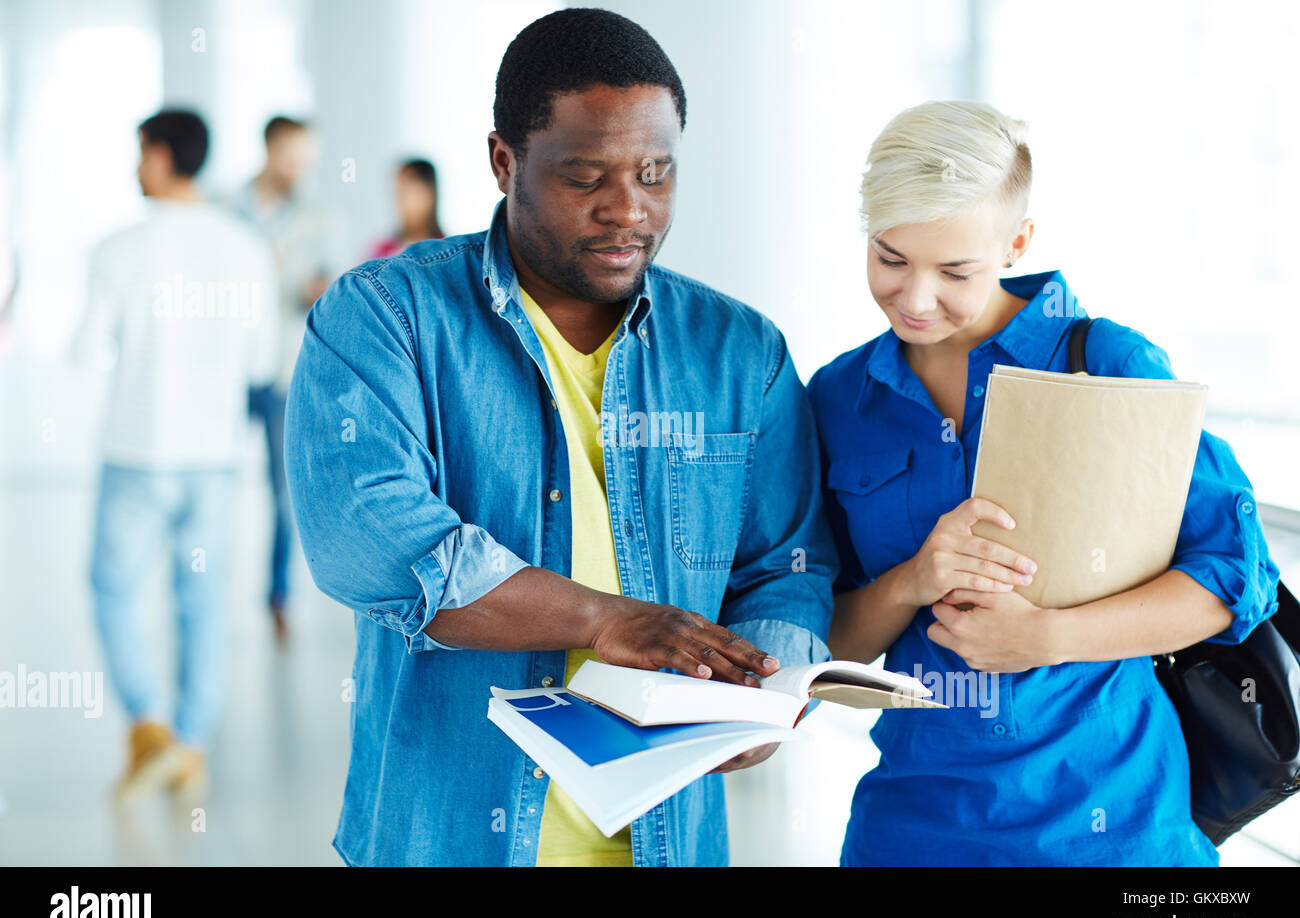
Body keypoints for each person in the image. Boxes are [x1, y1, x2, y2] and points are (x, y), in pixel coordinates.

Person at [284, 8, 835, 867]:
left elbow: (787, 563)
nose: (630, 211)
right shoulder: (385, 318)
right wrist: (607, 619)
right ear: (505, 162)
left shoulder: (741, 352)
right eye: (587, 177)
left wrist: (763, 691)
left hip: (668, 841)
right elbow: (369, 543)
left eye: (656, 174)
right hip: (447, 836)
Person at [808, 100, 1281, 866]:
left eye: (955, 270)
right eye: (890, 258)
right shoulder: (836, 397)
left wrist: (1045, 637)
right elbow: (819, 639)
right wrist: (911, 582)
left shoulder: (1109, 363)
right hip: (913, 826)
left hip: (1115, 827)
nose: (916, 298)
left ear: (1017, 242)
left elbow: (1231, 578)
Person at [72, 109, 278, 806]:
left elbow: (85, 350)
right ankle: (190, 746)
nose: (135, 168)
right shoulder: (245, 247)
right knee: (201, 602)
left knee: (113, 589)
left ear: (160, 157)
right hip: (214, 456)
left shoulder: (117, 248)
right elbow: (261, 363)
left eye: (139, 154)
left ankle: (149, 726)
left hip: (136, 450)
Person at [229, 115, 342, 644]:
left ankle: (277, 598)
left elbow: (325, 285)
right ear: (270, 150)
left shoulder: (318, 216)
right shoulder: (223, 208)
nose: (302, 169)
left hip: (281, 370)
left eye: (309, 160)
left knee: (282, 491)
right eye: (294, 157)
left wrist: (314, 289)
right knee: (215, 484)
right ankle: (205, 595)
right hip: (224, 369)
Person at [366, 158, 445, 259]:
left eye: (410, 191)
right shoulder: (381, 251)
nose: (401, 199)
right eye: (399, 191)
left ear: (430, 194)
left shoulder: (449, 251)